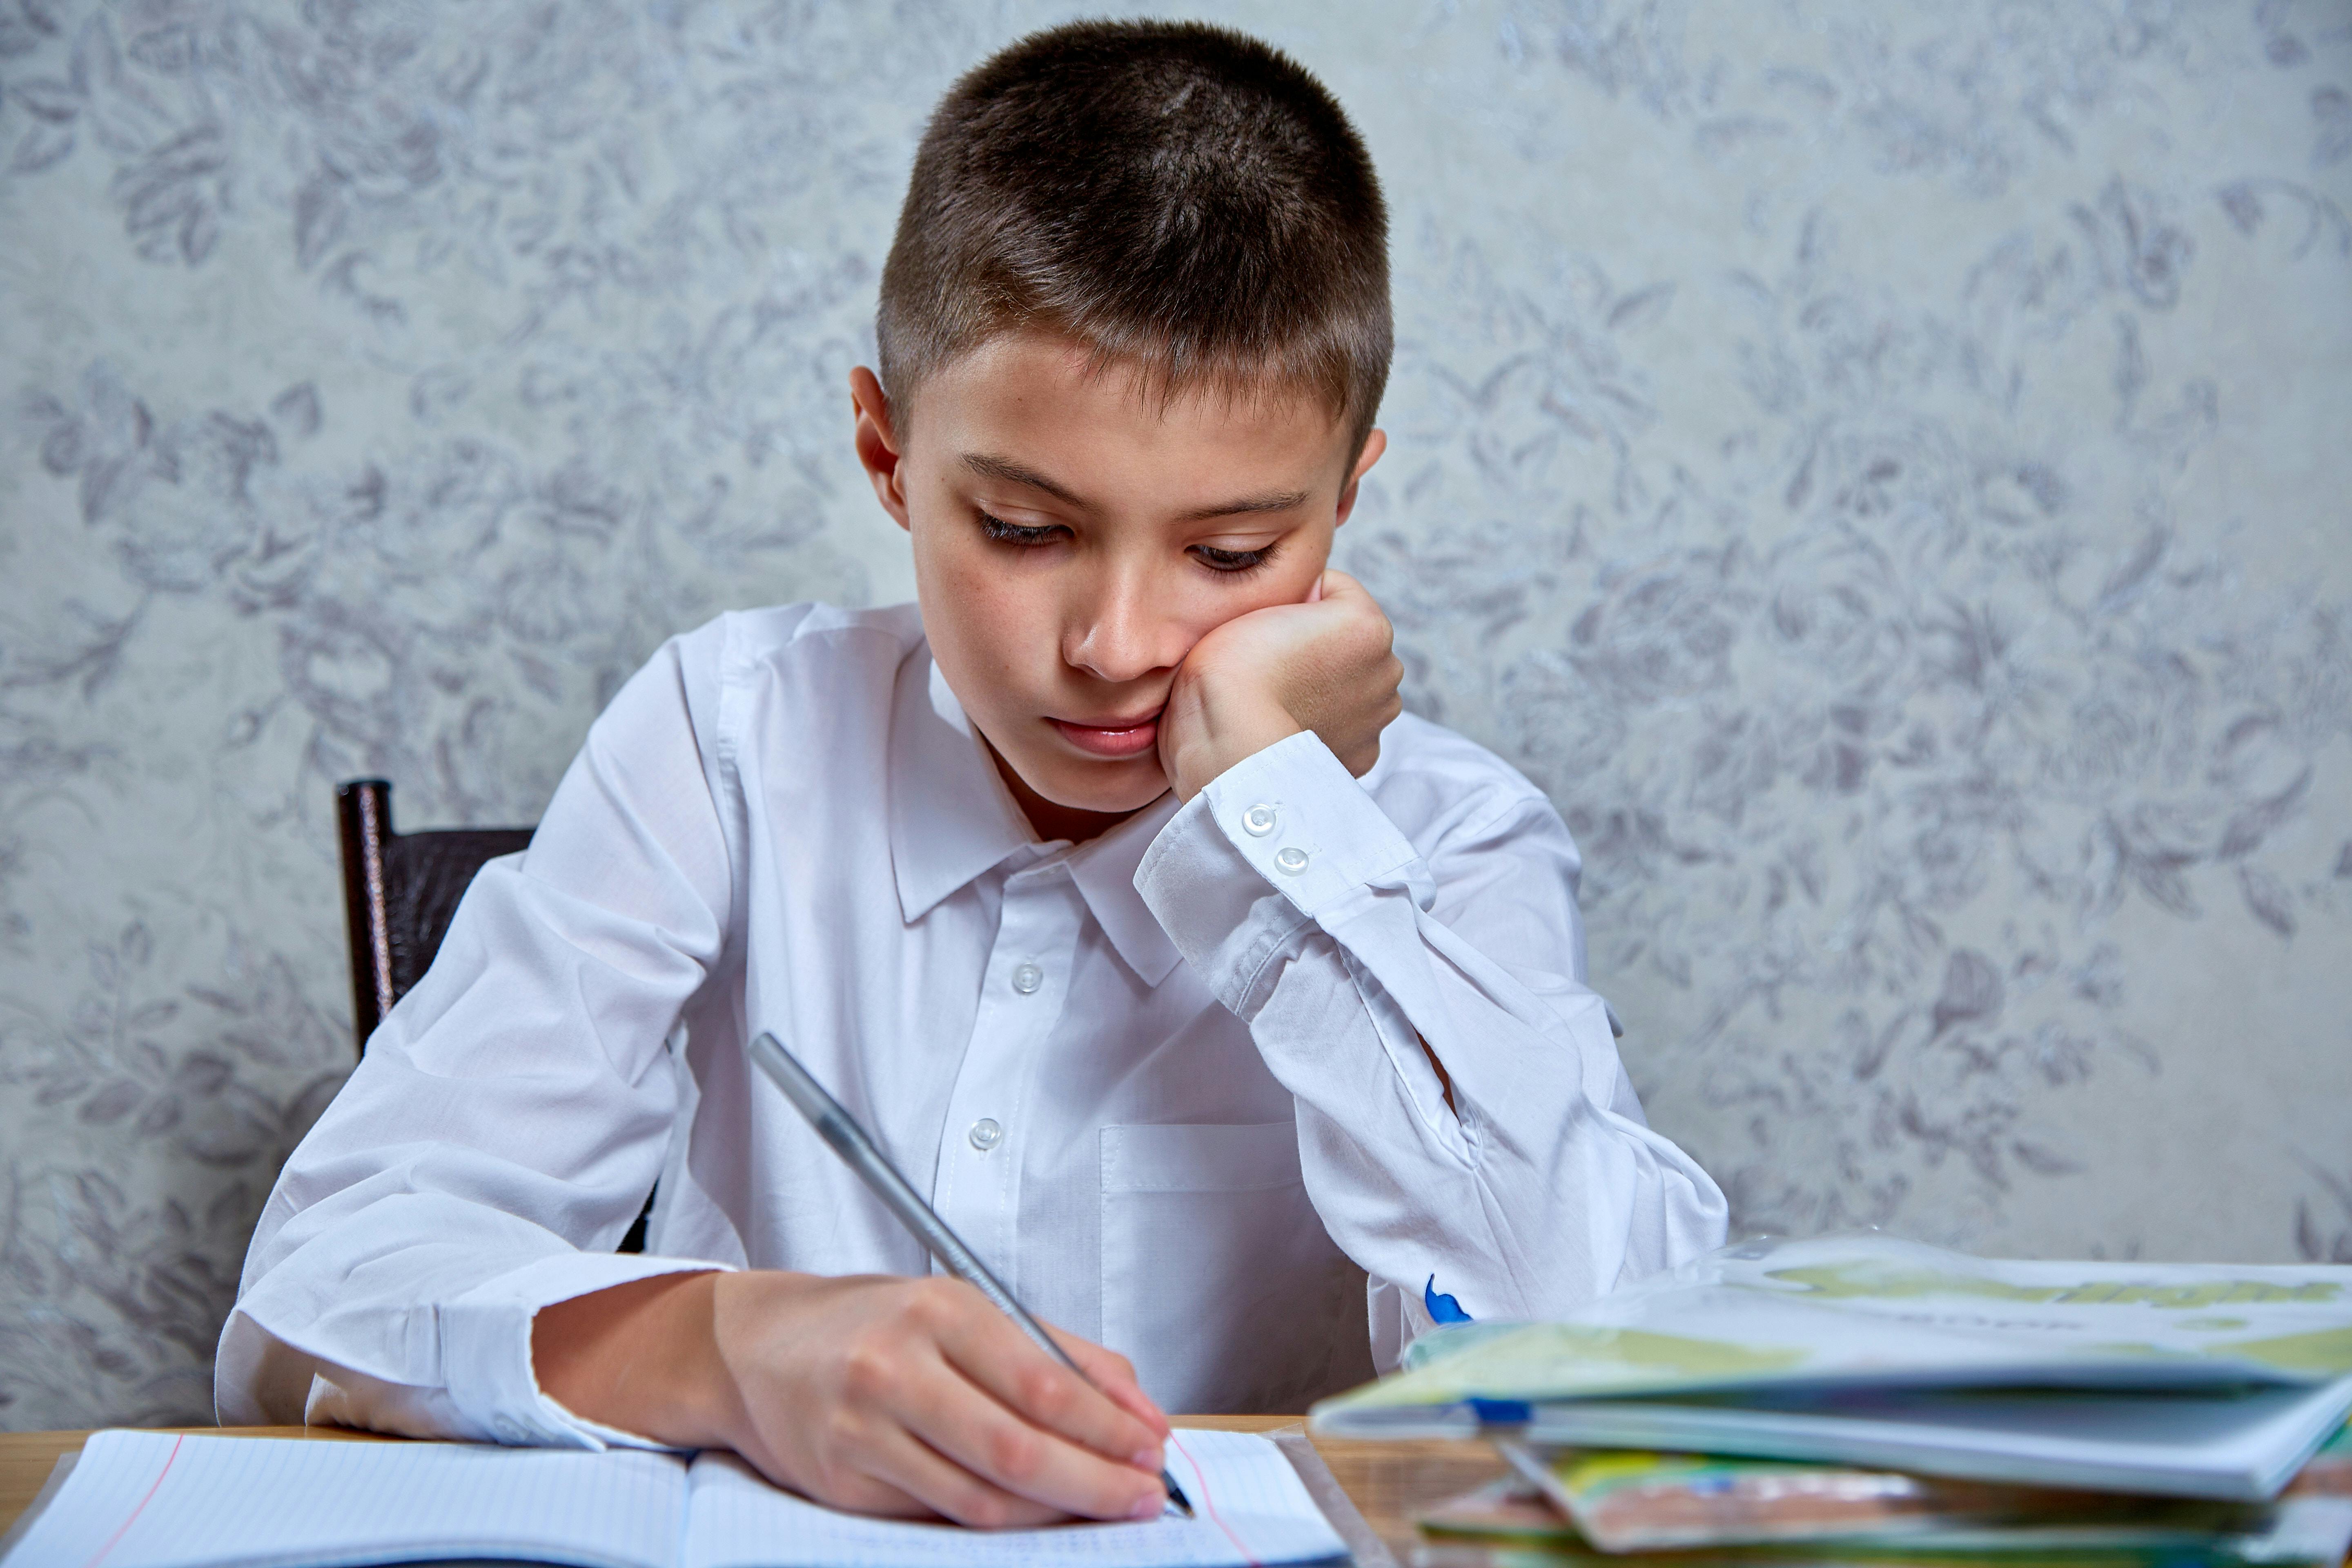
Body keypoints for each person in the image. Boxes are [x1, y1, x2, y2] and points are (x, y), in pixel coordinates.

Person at [217, 20, 1726, 1530]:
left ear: (1345, 502)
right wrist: (722, 1346)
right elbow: (308, 1303)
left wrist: (1286, 835)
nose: (1119, 644)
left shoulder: (1449, 842)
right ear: (887, 453)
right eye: (1020, 527)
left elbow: (1617, 1374)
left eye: (1230, 555)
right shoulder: (729, 736)